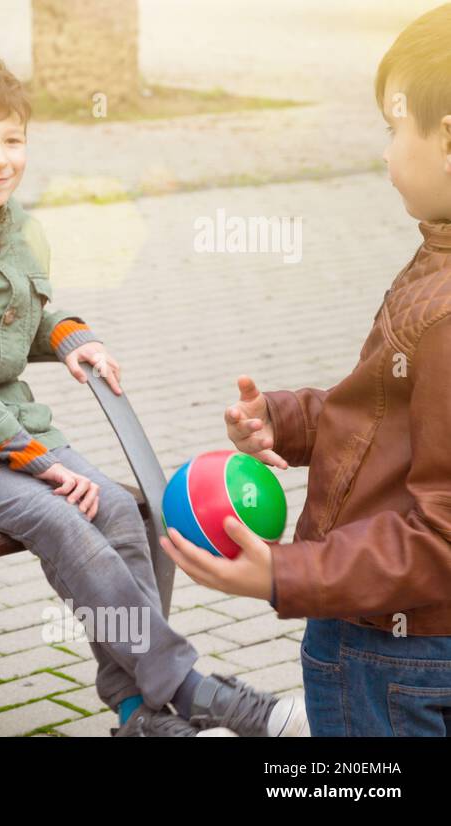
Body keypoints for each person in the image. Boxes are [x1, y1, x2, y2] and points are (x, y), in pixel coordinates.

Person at [0, 58, 306, 737]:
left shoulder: (1, 218)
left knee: (134, 516)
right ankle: (190, 691)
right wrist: (37, 458)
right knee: (68, 524)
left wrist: (73, 338)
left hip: (12, 432)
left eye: (12, 140)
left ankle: (139, 710)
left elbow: (22, 313)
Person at [164, 4, 451, 736]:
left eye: (393, 130)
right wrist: (290, 420)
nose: (386, 155)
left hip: (388, 650)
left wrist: (285, 573)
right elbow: (389, 413)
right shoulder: (438, 260)